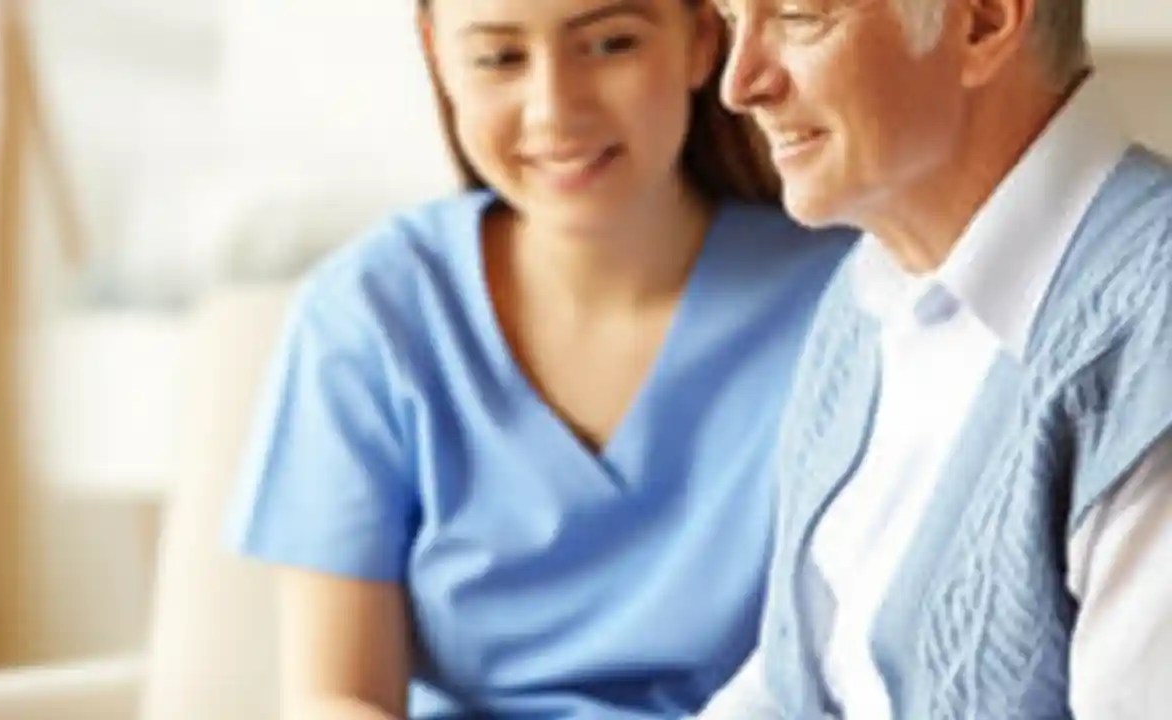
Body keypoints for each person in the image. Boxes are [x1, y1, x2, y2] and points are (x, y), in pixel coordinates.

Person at [228, 0, 850, 718]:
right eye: (499, 58)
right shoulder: (371, 316)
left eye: (611, 44)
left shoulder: (849, 300)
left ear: (702, 42)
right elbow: (334, 697)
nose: (555, 111)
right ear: (439, 59)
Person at [699, 0, 1172, 717]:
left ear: (982, 21)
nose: (740, 84)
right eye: (734, 20)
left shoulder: (1151, 335)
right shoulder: (866, 291)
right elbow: (801, 684)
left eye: (797, 16)